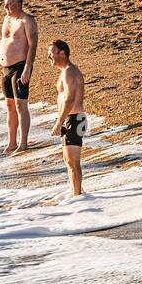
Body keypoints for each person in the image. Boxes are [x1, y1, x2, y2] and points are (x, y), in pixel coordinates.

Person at [0, 0, 37, 155]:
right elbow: (2, 42)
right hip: (5, 68)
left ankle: (23, 143)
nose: (5, 7)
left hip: (20, 66)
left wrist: (27, 69)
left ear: (18, 4)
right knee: (9, 105)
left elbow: (32, 46)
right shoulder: (7, 19)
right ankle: (11, 142)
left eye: (8, 4)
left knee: (20, 104)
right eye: (5, 4)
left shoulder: (27, 20)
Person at [48, 40, 86, 198]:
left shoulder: (69, 71)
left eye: (52, 53)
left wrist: (59, 121)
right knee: (69, 160)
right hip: (72, 119)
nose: (49, 56)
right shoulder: (67, 71)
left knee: (72, 162)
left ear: (62, 54)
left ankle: (77, 196)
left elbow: (70, 98)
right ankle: (76, 193)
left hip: (74, 119)